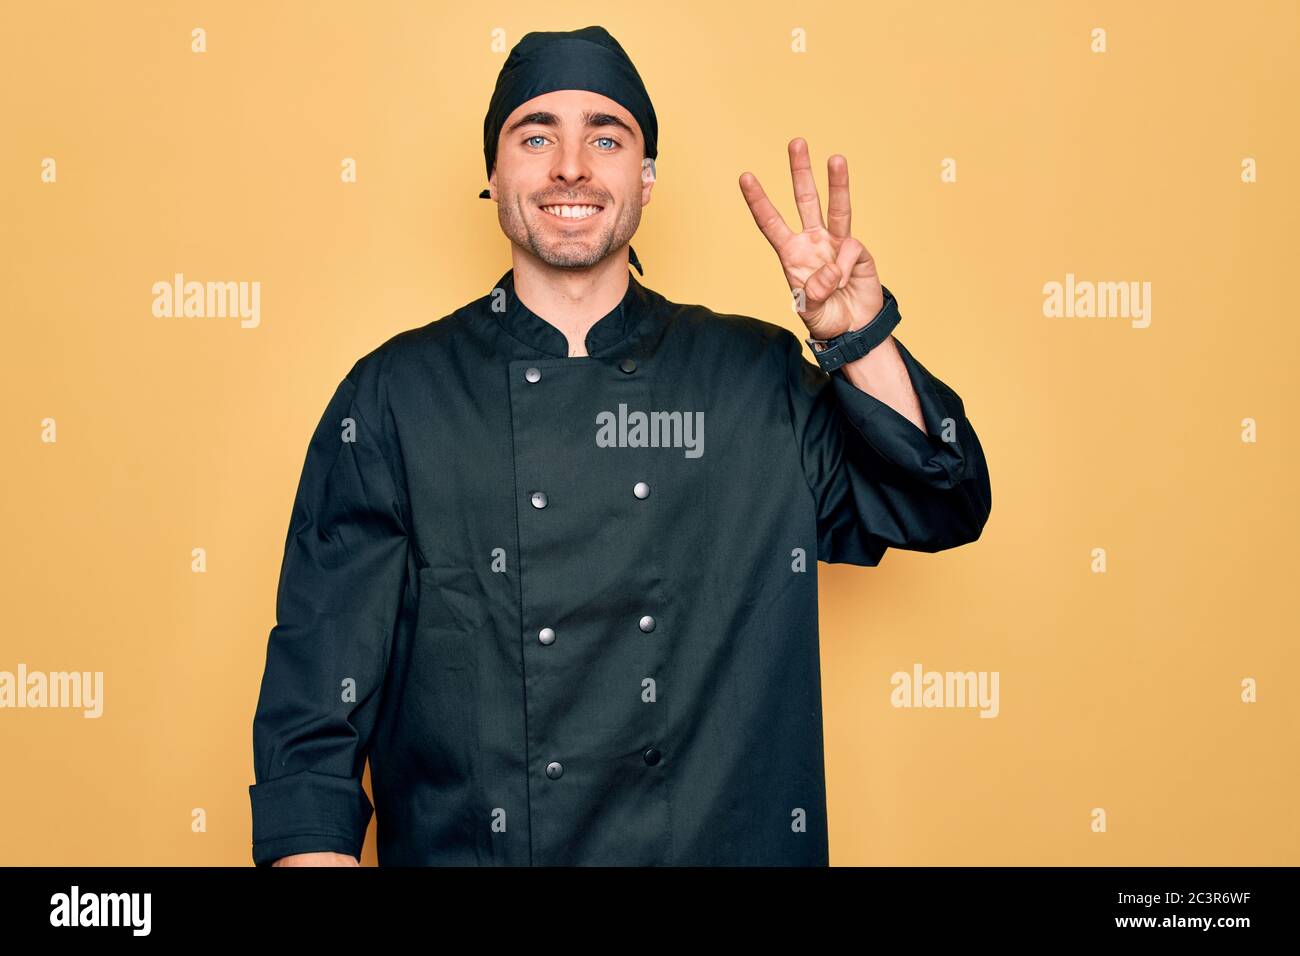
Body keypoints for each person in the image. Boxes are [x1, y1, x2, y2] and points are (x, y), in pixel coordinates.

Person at [249, 24, 991, 867]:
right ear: (494, 177)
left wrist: (858, 338)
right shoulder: (393, 397)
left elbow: (940, 501)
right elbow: (314, 712)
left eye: (606, 136)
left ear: (644, 180)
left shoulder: (757, 380)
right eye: (536, 137)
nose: (571, 166)